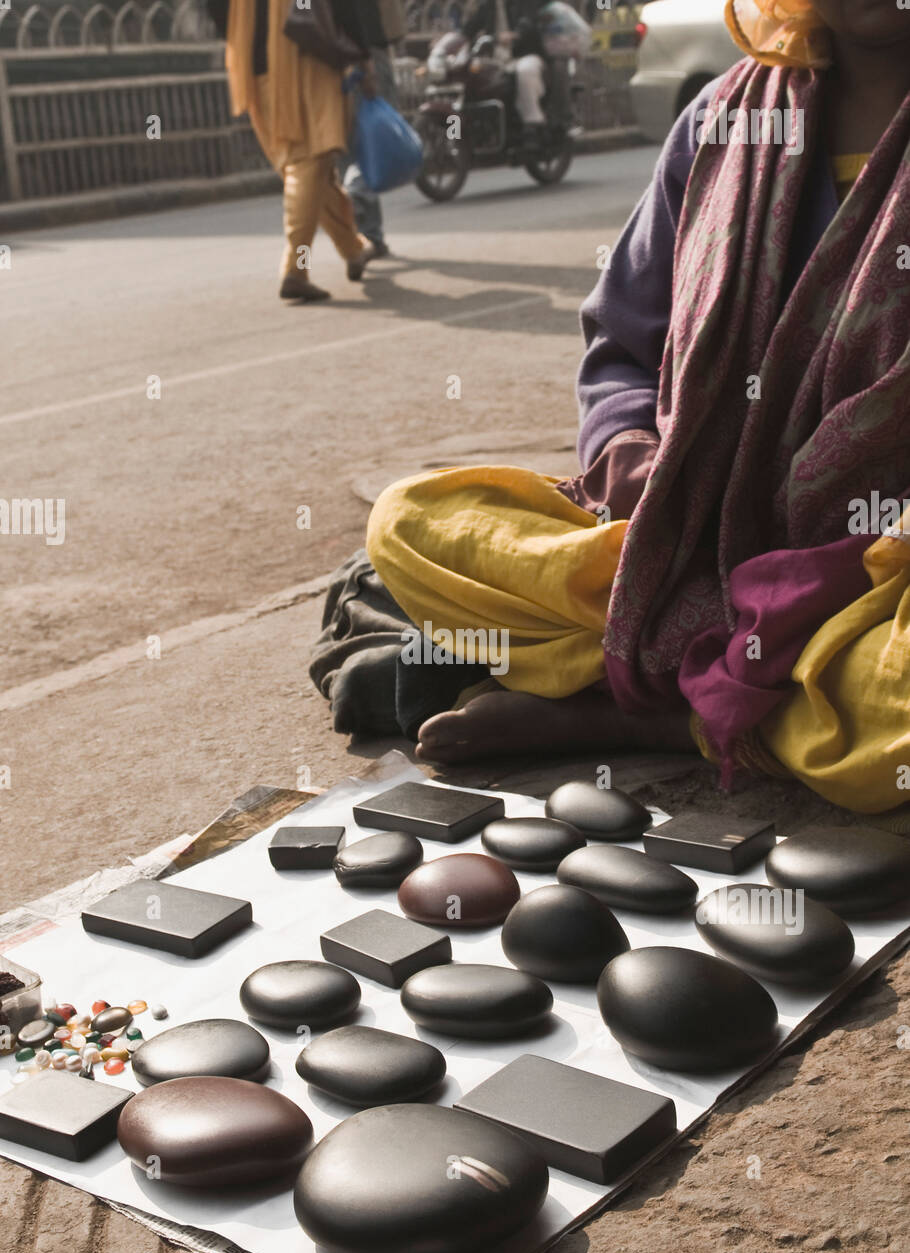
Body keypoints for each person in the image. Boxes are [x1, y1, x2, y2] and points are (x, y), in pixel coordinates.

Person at [361, 0, 910, 815]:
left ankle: (656, 714)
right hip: (684, 546)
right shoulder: (725, 120)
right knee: (410, 523)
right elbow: (623, 342)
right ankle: (742, 686)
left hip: (874, 572)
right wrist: (629, 452)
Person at [208, 0, 378, 302]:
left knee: (310, 165)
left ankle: (352, 248)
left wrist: (243, 30)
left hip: (255, 57)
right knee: (309, 161)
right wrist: (363, 54)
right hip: (307, 52)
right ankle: (296, 269)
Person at [336, 0, 407, 259]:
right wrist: (366, 64)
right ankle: (366, 229)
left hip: (329, 53)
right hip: (362, 48)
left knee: (349, 144)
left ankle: (366, 235)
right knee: (367, 142)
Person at [463, 0, 549, 133]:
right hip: (495, 60)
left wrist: (515, 34)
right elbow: (468, 29)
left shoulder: (526, 3)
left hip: (524, 55)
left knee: (525, 71)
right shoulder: (488, 5)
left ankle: (532, 122)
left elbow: (528, 21)